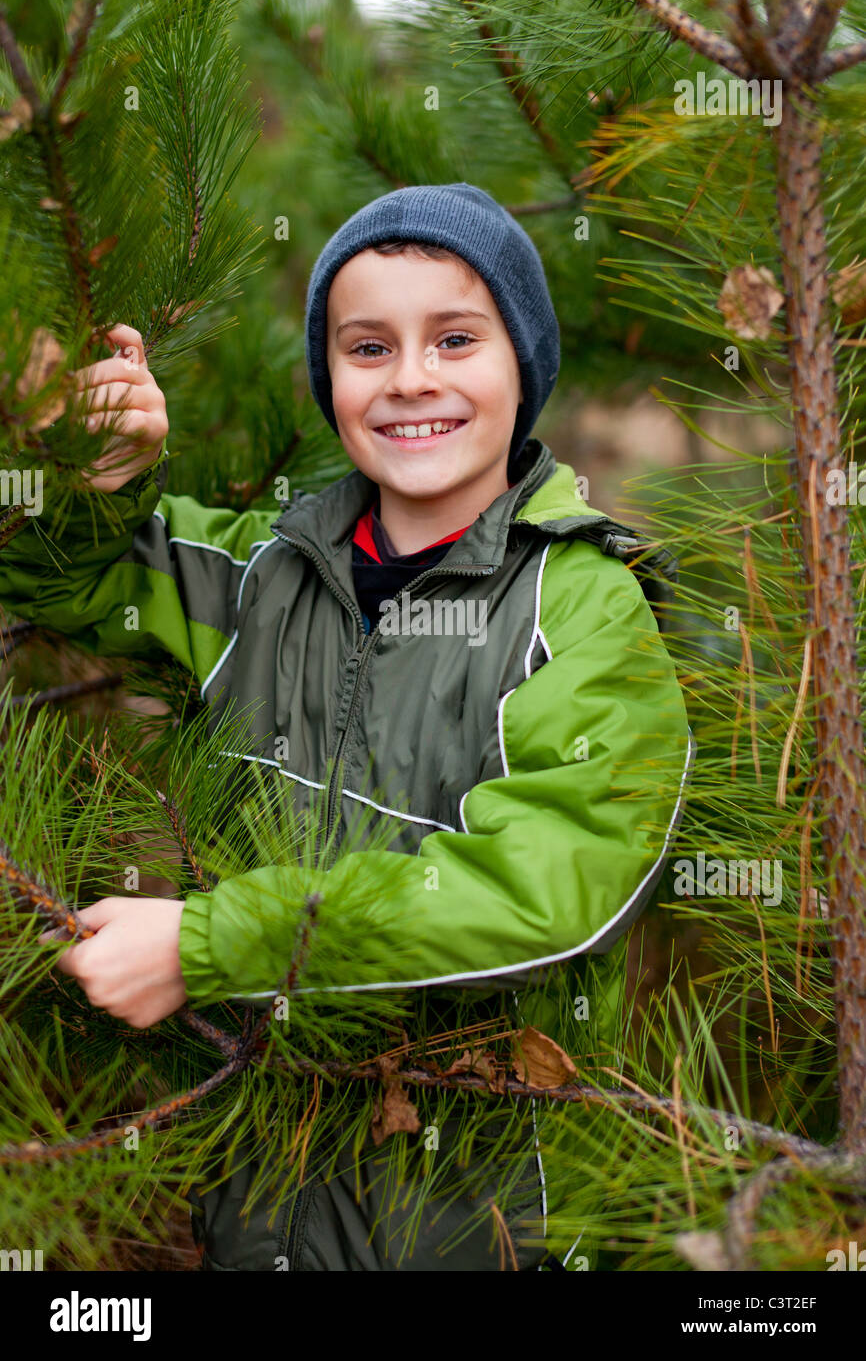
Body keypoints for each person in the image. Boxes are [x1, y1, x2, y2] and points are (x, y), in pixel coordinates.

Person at [0, 182, 693, 1270]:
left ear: (525, 364)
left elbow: (541, 893)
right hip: (263, 1199)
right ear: (328, 381)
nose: (410, 377)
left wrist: (210, 942)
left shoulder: (579, 607)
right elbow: (63, 580)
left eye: (455, 338)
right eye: (366, 347)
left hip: (483, 1214)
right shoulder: (258, 576)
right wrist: (86, 481)